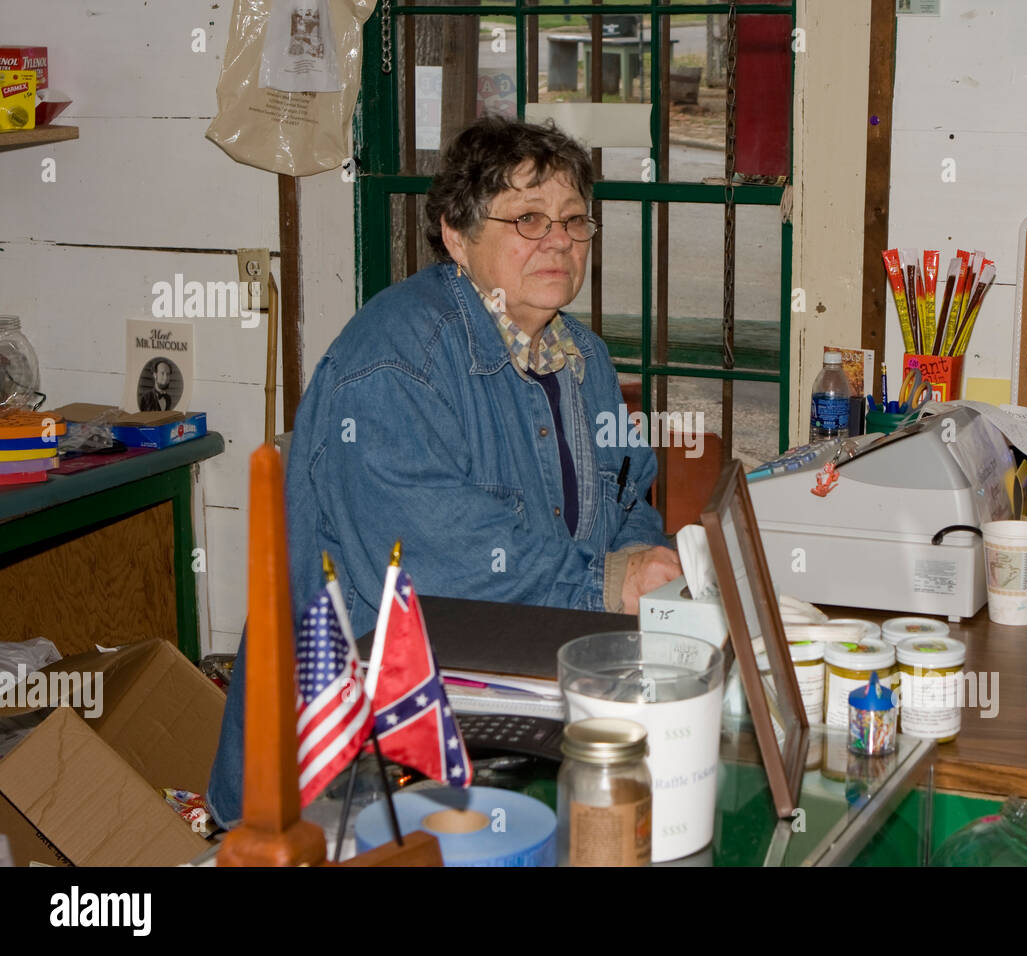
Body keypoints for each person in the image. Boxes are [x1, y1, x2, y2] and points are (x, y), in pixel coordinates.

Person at [207, 117, 682, 828]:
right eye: (528, 218)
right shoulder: (395, 365)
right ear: (456, 236)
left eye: (575, 220)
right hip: (351, 764)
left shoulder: (583, 358)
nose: (559, 240)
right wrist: (608, 583)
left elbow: (628, 489)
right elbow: (436, 565)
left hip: (502, 707)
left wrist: (641, 558)